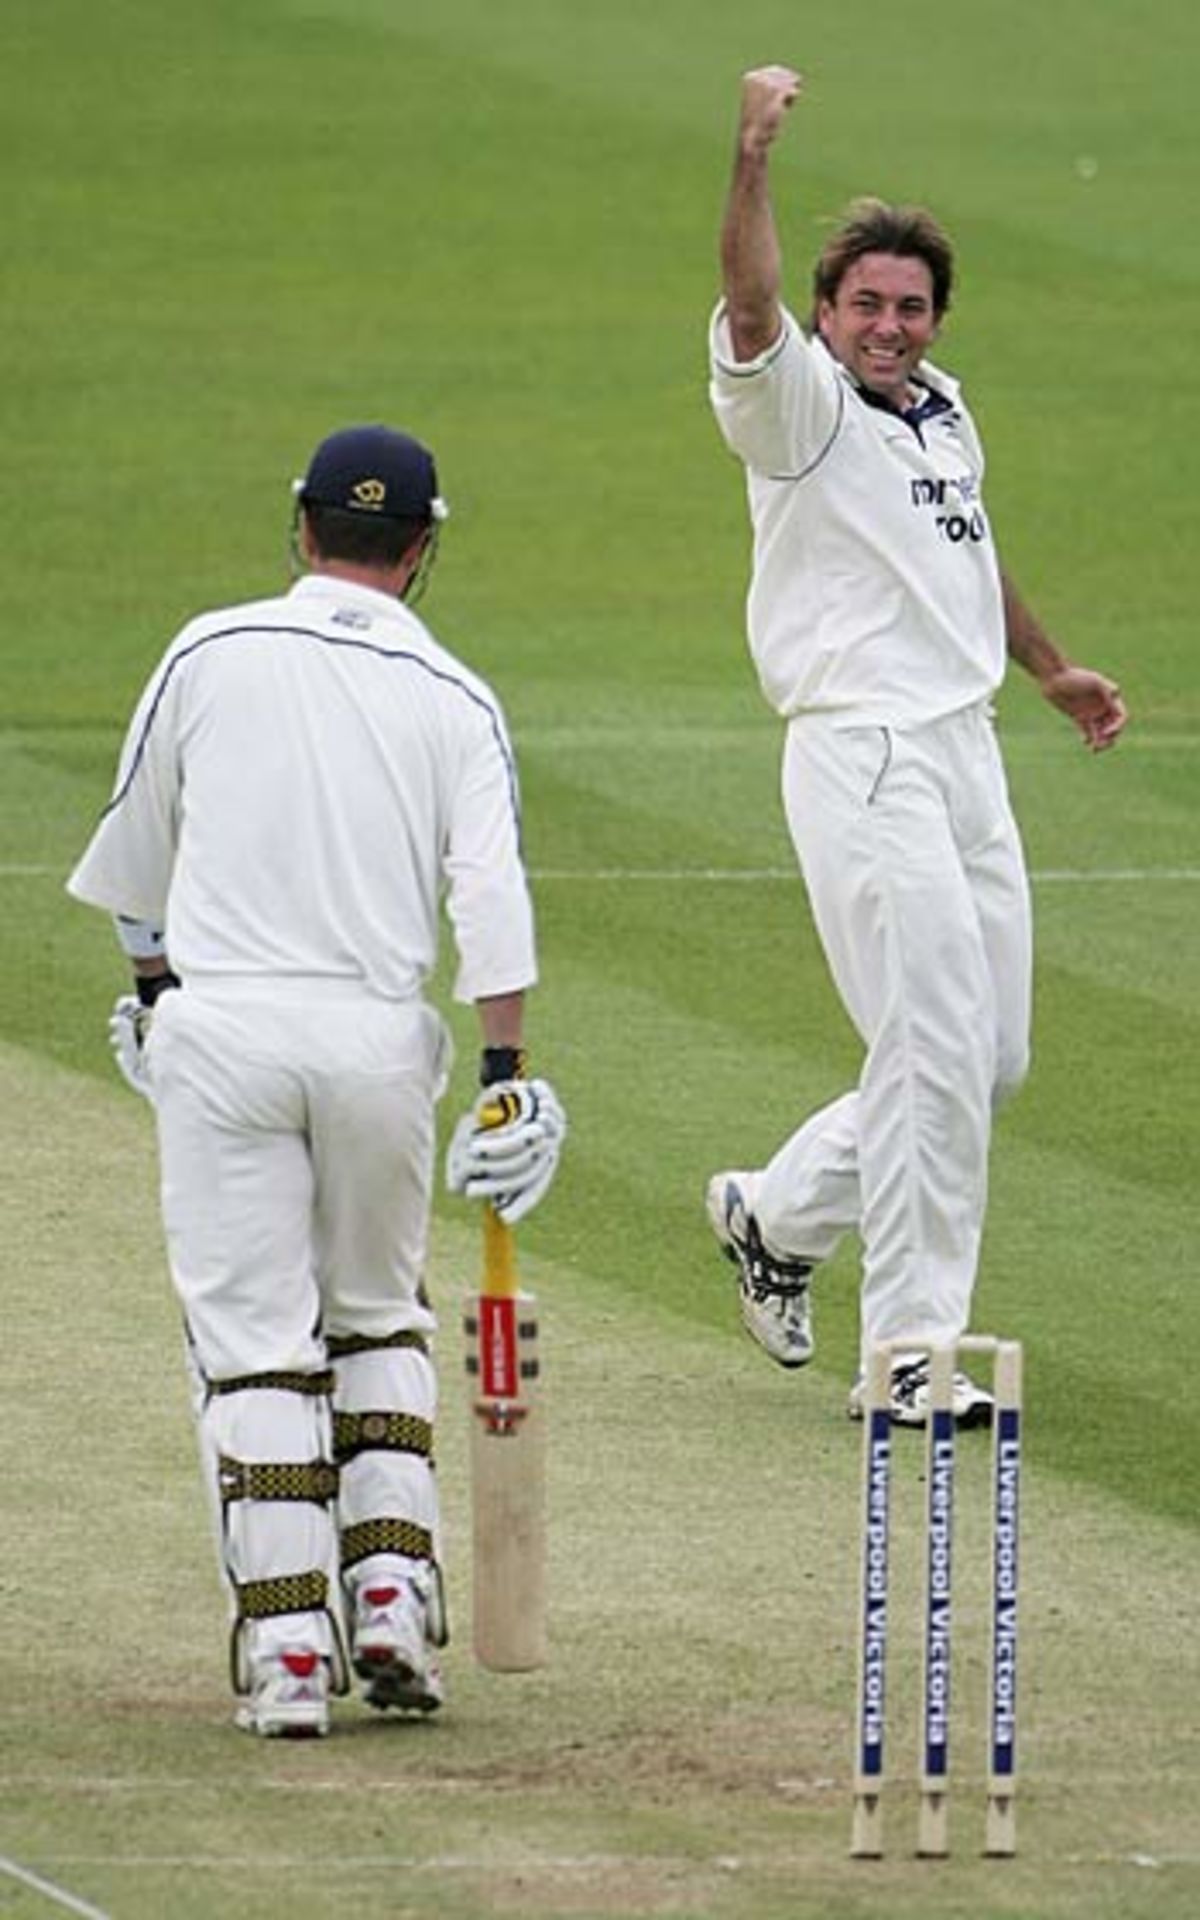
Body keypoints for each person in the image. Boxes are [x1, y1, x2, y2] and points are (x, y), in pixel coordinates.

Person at [68, 424, 566, 1736]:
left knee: (253, 1344)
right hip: (376, 1045)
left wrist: (159, 999)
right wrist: (506, 1074)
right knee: (377, 1318)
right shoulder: (458, 697)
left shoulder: (208, 649)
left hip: (225, 1033)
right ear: (423, 547)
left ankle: (292, 1648)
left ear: (300, 529)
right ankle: (393, 1590)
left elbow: (133, 861)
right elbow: (493, 903)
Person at [704, 67, 1126, 1427]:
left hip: (965, 754)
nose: (888, 326)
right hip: (861, 752)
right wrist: (754, 160)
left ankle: (775, 1216)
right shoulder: (801, 408)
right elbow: (753, 304)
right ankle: (910, 1355)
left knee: (981, 1060)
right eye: (867, 306)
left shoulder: (944, 408)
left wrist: (1049, 666)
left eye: (910, 306)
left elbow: (968, 557)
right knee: (933, 1045)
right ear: (832, 315)